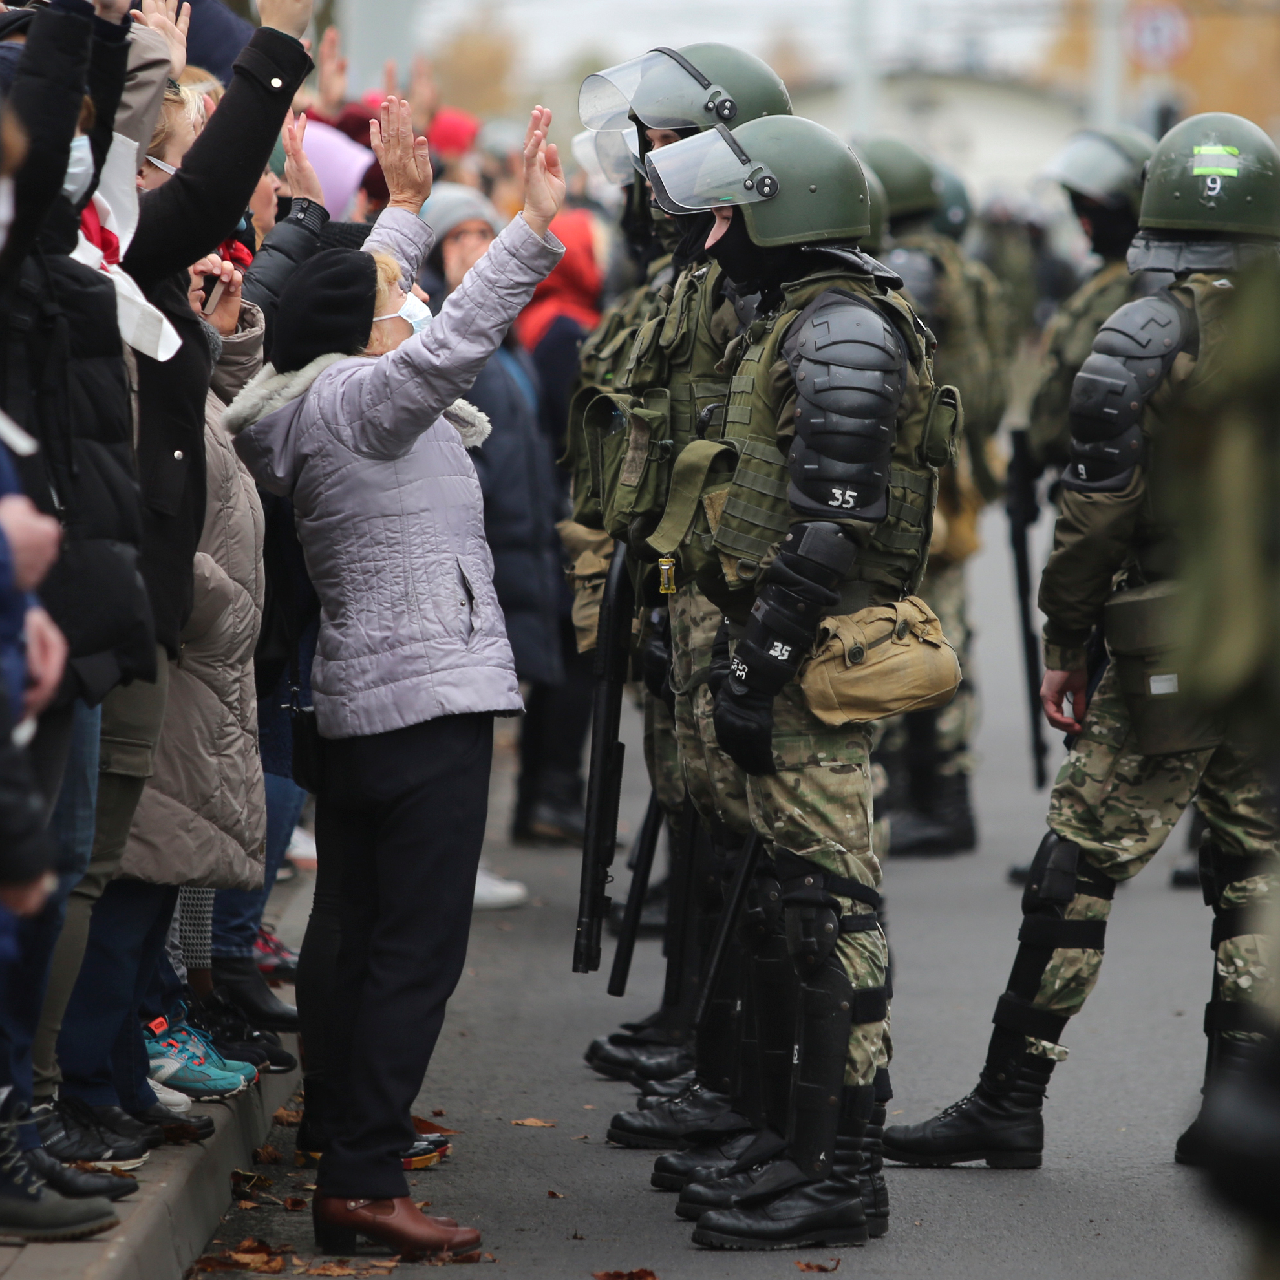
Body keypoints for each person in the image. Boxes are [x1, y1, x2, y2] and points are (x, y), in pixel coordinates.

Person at [882, 112, 1280, 1175]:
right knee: (1253, 866)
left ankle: (1007, 1101)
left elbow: (1095, 515)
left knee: (1076, 868)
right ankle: (1235, 1113)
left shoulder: (1141, 335)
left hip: (1171, 642)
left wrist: (1066, 640)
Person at [227, 98, 566, 1260]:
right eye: (395, 295)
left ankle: (339, 1126)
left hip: (367, 699)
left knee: (353, 925)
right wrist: (527, 227)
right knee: (414, 948)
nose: (408, 297)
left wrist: (407, 206)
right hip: (425, 699)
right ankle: (364, 1181)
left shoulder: (306, 396)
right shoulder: (364, 404)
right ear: (361, 332)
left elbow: (352, 293)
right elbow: (447, 342)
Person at [643, 111, 953, 1250]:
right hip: (774, 646)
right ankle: (792, 1137)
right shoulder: (795, 317)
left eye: (728, 209)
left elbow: (831, 527)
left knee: (832, 908)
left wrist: (759, 659)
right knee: (785, 899)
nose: (710, 229)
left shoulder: (845, 333)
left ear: (788, 213)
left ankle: (846, 1174)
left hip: (815, 660)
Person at [35, 0, 315, 1163]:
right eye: (168, 147)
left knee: (116, 864)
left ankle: (93, 1077)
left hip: (145, 604)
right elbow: (188, 202)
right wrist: (122, 36)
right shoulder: (70, 244)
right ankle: (59, 1093)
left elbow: (189, 404)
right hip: (130, 604)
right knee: (84, 868)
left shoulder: (114, 257)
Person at [861, 135, 1005, 858]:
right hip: (958, 471)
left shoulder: (905, 271)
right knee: (946, 633)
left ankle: (925, 800)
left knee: (902, 630)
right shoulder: (962, 269)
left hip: (917, 475)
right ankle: (942, 796)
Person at [418, 180, 548, 907]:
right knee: (462, 731)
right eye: (457, 236)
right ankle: (452, 867)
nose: (472, 248)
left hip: (518, 555)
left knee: (486, 726)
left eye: (482, 234)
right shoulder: (442, 336)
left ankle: (465, 859)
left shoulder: (510, 339)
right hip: (483, 563)